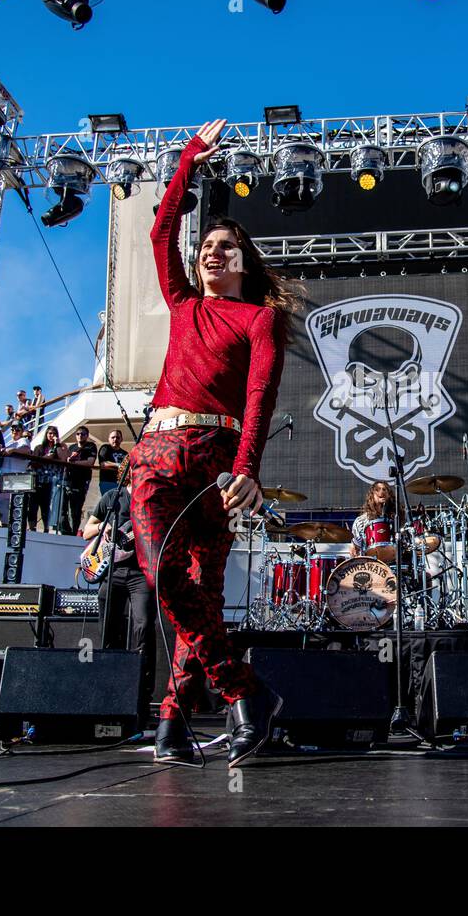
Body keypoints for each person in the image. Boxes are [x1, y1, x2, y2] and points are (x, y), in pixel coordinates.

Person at [133, 118, 300, 767]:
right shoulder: (180, 302)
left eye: (227, 246)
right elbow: (158, 228)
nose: (212, 252)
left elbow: (260, 398)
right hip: (157, 451)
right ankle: (244, 694)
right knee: (162, 573)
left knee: (201, 590)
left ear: (244, 261)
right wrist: (189, 160)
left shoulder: (260, 319)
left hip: (216, 463)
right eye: (207, 244)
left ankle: (172, 726)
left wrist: (247, 470)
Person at [83, 485, 154, 726]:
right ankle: (105, 692)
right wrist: (107, 528)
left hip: (140, 573)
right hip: (112, 570)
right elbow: (87, 531)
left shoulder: (152, 497)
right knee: (107, 631)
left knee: (143, 627)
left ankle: (142, 697)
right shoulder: (112, 497)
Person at [28, 425, 67, 533]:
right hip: (38, 479)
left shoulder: (59, 447)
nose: (51, 436)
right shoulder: (39, 448)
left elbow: (63, 458)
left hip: (51, 481)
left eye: (54, 434)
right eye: (50, 433)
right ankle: (32, 528)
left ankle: (46, 528)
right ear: (46, 435)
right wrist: (45, 458)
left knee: (46, 506)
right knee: (33, 505)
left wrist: (57, 444)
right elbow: (33, 463)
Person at [60, 426, 98, 535]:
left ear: (87, 435)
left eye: (83, 434)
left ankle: (73, 532)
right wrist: (69, 460)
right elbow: (66, 461)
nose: (80, 436)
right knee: (63, 509)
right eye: (78, 434)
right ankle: (65, 531)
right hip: (68, 480)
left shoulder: (91, 447)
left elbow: (90, 462)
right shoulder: (71, 447)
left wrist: (73, 462)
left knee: (75, 510)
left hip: (81, 482)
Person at [350, 480, 396, 558]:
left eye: (385, 489)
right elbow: (355, 547)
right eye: (378, 489)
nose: (381, 491)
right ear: (372, 496)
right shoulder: (361, 521)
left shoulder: (396, 518)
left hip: (395, 563)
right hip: (370, 564)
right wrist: (353, 547)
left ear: (389, 495)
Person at [97, 430, 128, 498]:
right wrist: (118, 465)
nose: (115, 439)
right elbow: (103, 463)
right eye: (113, 437)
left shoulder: (125, 453)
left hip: (121, 484)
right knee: (109, 503)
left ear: (121, 439)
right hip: (107, 482)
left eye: (117, 437)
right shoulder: (105, 448)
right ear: (109, 439)